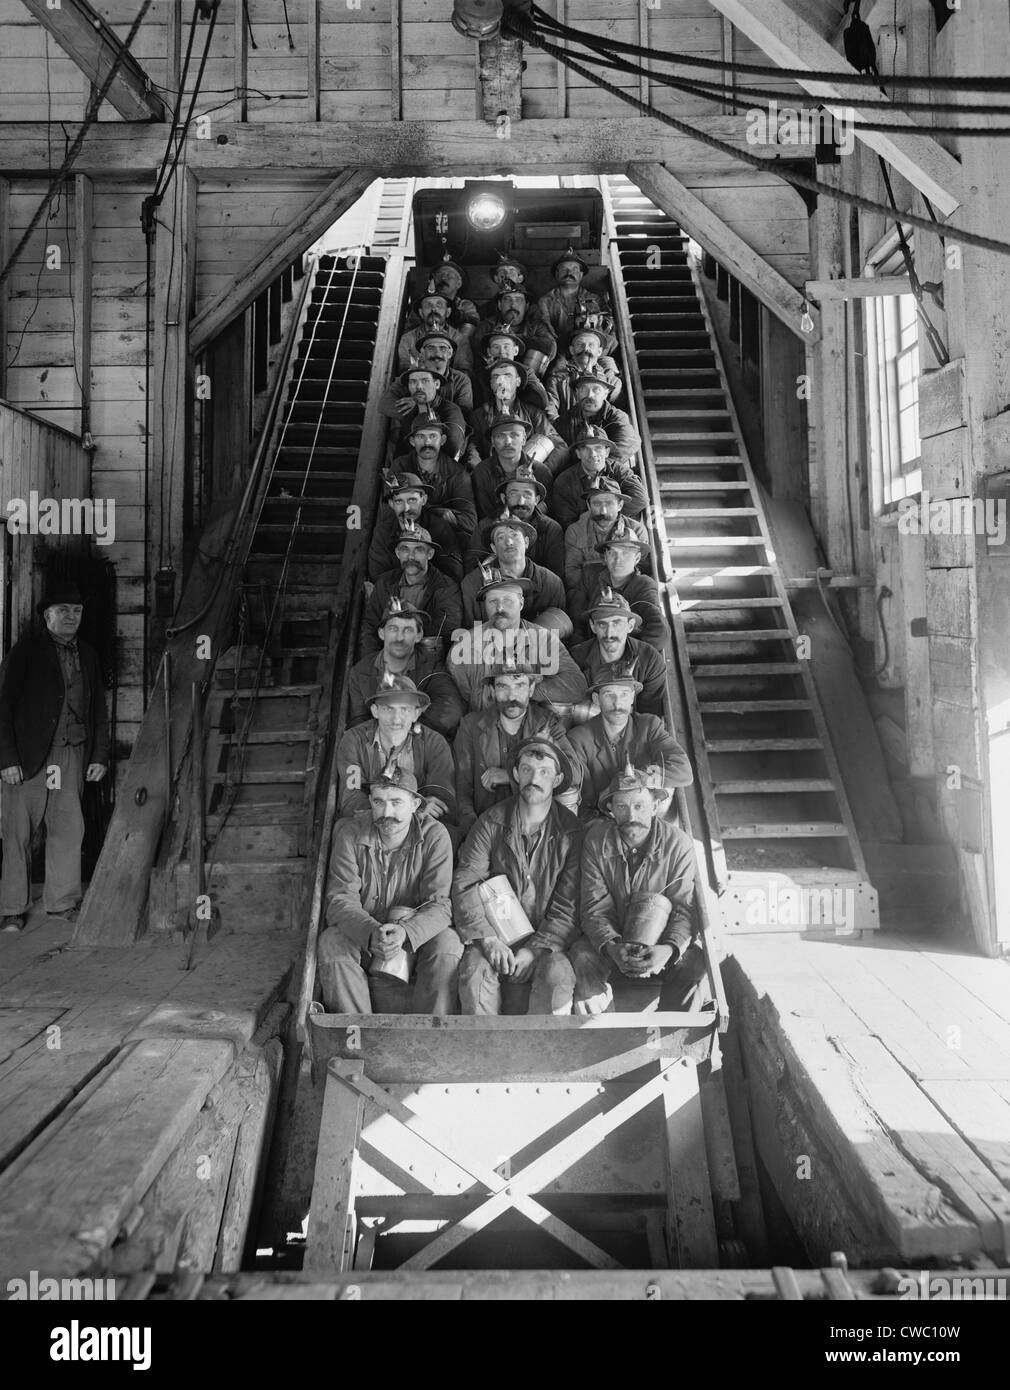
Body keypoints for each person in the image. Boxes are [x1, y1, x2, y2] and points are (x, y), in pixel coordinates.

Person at [0, 583, 109, 931]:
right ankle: (12, 907)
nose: (71, 617)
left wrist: (99, 755)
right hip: (30, 757)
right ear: (48, 616)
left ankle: (61, 902)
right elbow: (2, 707)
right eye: (63, 611)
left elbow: (98, 710)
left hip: (71, 753)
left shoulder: (88, 654)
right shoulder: (26, 652)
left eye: (76, 611)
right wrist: (6, 759)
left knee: (67, 827)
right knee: (18, 832)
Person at [318, 763, 461, 1014]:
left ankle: (431, 1036)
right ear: (370, 802)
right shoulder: (351, 834)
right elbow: (340, 899)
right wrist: (371, 932)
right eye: (379, 802)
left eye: (396, 802)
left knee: (448, 942)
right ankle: (357, 1035)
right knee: (331, 941)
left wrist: (406, 933)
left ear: (415, 805)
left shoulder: (435, 835)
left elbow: (440, 904)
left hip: (413, 939)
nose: (387, 812)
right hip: (364, 936)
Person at [452, 738, 580, 1015]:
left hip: (548, 940)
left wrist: (537, 950)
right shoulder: (491, 821)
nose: (534, 779)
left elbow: (569, 904)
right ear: (515, 774)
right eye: (527, 770)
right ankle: (483, 1052)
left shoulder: (572, 832)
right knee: (474, 971)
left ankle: (545, 1052)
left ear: (557, 779)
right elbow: (466, 881)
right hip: (496, 935)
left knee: (558, 973)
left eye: (544, 772)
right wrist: (487, 939)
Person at [567, 763, 709, 1014]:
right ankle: (600, 1035)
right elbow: (594, 907)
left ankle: (671, 1042)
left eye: (639, 805)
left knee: (695, 963)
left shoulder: (679, 844)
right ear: (610, 810)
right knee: (581, 956)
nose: (631, 815)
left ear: (655, 806)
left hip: (659, 944)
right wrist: (612, 946)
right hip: (613, 942)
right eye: (622, 806)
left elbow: (684, 908)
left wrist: (668, 949)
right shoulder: (596, 841)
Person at [453, 660, 581, 835]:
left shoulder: (547, 723)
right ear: (492, 690)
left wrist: (510, 776)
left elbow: (573, 773)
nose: (511, 696)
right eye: (502, 686)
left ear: (531, 688)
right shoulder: (471, 726)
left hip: (534, 829)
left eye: (519, 685)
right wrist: (473, 830)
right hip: (485, 827)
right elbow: (462, 789)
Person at [446, 572, 589, 713]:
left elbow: (576, 685)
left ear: (521, 603)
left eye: (507, 600)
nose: (499, 608)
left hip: (532, 727)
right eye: (492, 601)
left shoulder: (544, 639)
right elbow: (457, 702)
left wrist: (526, 690)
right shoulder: (464, 646)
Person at [568, 668, 692, 818]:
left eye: (624, 694)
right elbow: (584, 804)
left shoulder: (649, 726)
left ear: (632, 697)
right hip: (603, 824)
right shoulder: (579, 739)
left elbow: (683, 771)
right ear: (596, 699)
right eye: (609, 694)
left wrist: (643, 778)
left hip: (646, 821)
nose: (617, 703)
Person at [336, 673, 456, 823]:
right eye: (388, 709)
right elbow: (351, 796)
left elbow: (441, 795)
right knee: (343, 829)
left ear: (416, 714)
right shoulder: (354, 741)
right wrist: (390, 816)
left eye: (405, 709)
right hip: (370, 823)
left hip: (419, 825)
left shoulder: (434, 743)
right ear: (375, 711)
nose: (396, 719)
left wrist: (417, 812)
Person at [349, 596, 464, 738]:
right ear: (381, 633)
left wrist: (405, 734)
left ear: (418, 635)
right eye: (393, 629)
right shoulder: (361, 672)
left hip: (418, 746)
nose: (399, 638)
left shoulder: (431, 668)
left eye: (408, 630)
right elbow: (358, 720)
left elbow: (450, 712)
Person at [361, 526, 462, 659]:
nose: (410, 556)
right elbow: (370, 626)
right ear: (397, 553)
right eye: (405, 549)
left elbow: (447, 630)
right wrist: (372, 662)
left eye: (418, 550)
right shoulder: (385, 582)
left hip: (427, 661)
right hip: (388, 658)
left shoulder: (446, 587)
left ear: (430, 554)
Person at [570, 518, 668, 652]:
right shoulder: (590, 575)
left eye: (626, 553)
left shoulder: (643, 585)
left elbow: (659, 631)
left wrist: (625, 654)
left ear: (637, 558)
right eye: (612, 553)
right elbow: (577, 619)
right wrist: (586, 653)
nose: (618, 559)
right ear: (605, 557)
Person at [460, 517, 569, 636]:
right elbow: (472, 634)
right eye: (501, 537)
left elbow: (559, 630)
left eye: (515, 535)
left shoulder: (551, 583)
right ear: (494, 548)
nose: (509, 542)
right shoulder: (473, 584)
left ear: (526, 542)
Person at [569, 588, 667, 719]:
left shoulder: (650, 661)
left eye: (617, 624)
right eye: (602, 625)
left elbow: (649, 716)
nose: (609, 634)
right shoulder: (576, 658)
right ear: (592, 626)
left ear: (630, 625)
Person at [390, 411, 476, 546]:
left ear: (442, 440)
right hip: (406, 535)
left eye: (433, 436)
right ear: (412, 441)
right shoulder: (399, 466)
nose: (427, 442)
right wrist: (435, 511)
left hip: (443, 538)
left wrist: (420, 514)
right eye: (420, 436)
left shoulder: (457, 473)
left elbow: (470, 521)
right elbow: (388, 509)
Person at [463, 466, 564, 578]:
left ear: (536, 500)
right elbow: (472, 568)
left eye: (527, 495)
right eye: (513, 494)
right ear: (503, 498)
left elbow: (555, 576)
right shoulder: (486, 526)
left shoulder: (550, 529)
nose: (521, 501)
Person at [466, 359, 565, 471]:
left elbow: (559, 446)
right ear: (491, 384)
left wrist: (540, 471)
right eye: (496, 377)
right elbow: (473, 449)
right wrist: (481, 473)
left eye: (508, 375)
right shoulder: (479, 416)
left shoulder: (533, 413)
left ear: (518, 381)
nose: (501, 381)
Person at [368, 472, 464, 582]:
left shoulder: (440, 527)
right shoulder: (383, 532)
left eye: (412, 500)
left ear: (423, 500)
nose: (406, 508)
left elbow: (454, 574)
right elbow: (377, 575)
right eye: (399, 501)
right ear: (391, 504)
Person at [550, 424, 647, 532]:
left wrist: (607, 519)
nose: (593, 454)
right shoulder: (564, 481)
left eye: (598, 448)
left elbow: (640, 500)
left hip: (618, 532)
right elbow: (567, 522)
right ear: (578, 454)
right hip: (584, 537)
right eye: (586, 449)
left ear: (607, 452)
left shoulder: (619, 471)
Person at [563, 474, 648, 594]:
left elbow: (641, 571)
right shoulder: (575, 531)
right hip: (589, 593)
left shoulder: (637, 531)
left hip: (626, 592)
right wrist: (602, 592)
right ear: (588, 505)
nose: (603, 511)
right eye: (596, 504)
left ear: (620, 505)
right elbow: (572, 575)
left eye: (609, 503)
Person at [470, 415, 553, 521]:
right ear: (493, 441)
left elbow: (546, 510)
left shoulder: (541, 472)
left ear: (524, 439)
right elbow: (485, 513)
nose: (508, 441)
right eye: (500, 436)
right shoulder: (482, 472)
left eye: (514, 435)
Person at [535, 248, 615, 357]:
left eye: (574, 269)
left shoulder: (595, 299)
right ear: (557, 274)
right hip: (560, 351)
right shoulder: (546, 301)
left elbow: (609, 323)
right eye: (564, 269)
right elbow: (544, 329)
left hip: (590, 349)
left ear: (581, 275)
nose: (569, 273)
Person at [554, 372, 641, 470]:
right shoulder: (564, 421)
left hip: (610, 474)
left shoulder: (618, 418)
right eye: (584, 389)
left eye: (596, 390)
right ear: (577, 393)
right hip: (574, 476)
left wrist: (589, 470)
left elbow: (622, 449)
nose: (589, 395)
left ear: (605, 394)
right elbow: (559, 453)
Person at [383, 366, 466, 458]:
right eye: (413, 382)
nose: (418, 386)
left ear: (437, 384)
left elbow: (452, 447)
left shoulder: (450, 410)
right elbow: (402, 451)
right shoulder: (411, 415)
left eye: (425, 381)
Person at [472, 287, 556, 377]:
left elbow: (551, 347)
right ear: (499, 305)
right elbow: (478, 354)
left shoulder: (536, 325)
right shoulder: (487, 326)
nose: (513, 305)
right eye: (507, 300)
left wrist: (513, 337)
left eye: (518, 300)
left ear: (526, 306)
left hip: (527, 376)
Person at [545, 325, 621, 416]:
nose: (585, 349)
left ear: (599, 352)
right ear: (572, 350)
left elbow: (618, 415)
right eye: (580, 344)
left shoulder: (610, 381)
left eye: (591, 345)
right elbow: (550, 411)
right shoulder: (558, 379)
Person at [474, 324, 551, 412]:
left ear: (515, 350)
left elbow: (542, 401)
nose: (502, 352)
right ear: (489, 351)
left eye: (506, 346)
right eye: (496, 347)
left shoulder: (526, 372)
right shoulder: (481, 375)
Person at [398, 290, 473, 373]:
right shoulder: (408, 338)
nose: (433, 309)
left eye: (439, 305)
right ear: (421, 313)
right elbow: (405, 370)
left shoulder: (459, 339)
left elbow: (464, 371)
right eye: (428, 305)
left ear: (448, 312)